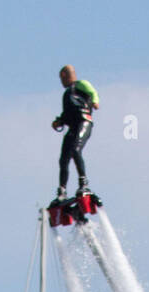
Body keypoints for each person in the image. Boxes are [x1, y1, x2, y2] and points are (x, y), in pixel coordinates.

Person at [52, 64, 99, 199]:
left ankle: (83, 183)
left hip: (84, 122)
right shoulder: (67, 95)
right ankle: (62, 190)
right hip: (73, 126)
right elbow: (68, 113)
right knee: (64, 158)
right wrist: (59, 121)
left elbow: (93, 92)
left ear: (65, 76)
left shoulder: (80, 84)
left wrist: (95, 102)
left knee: (75, 150)